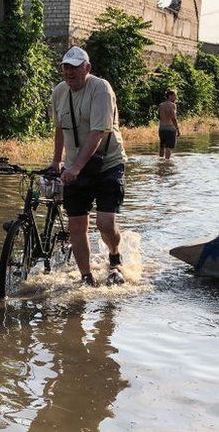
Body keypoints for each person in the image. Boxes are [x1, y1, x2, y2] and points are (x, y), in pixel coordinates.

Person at [49, 46, 129, 287]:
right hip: (75, 165)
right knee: (76, 224)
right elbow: (60, 128)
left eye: (75, 67)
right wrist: (57, 161)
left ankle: (114, 254)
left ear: (87, 68)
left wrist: (76, 168)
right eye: (66, 68)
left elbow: (97, 133)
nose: (69, 72)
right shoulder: (59, 92)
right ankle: (86, 277)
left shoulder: (101, 89)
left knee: (104, 222)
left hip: (108, 163)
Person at [158, 90, 180, 160]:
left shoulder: (161, 105)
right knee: (168, 147)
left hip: (161, 128)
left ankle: (160, 160)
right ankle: (167, 163)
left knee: (162, 146)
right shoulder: (172, 105)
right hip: (170, 128)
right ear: (170, 96)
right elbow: (173, 118)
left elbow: (160, 116)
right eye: (174, 96)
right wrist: (177, 129)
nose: (175, 98)